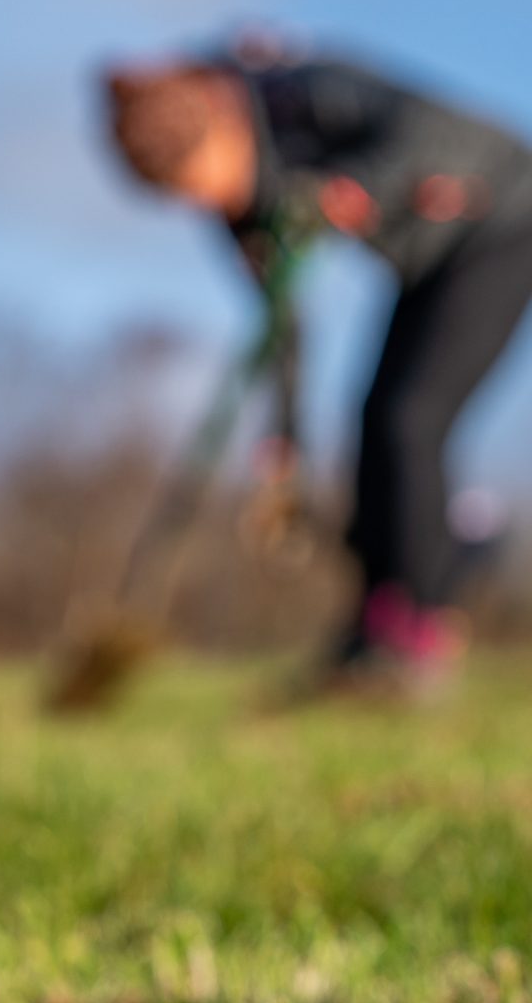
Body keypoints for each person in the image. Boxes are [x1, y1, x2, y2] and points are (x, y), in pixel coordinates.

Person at [102, 40, 532, 696]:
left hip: (501, 218)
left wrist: (362, 184)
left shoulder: (304, 89)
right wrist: (286, 436)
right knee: (372, 424)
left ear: (230, 125)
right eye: (198, 199)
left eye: (219, 178)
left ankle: (419, 639)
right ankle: (375, 628)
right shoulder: (238, 208)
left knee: (411, 419)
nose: (223, 203)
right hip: (427, 257)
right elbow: (282, 320)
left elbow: (427, 129)